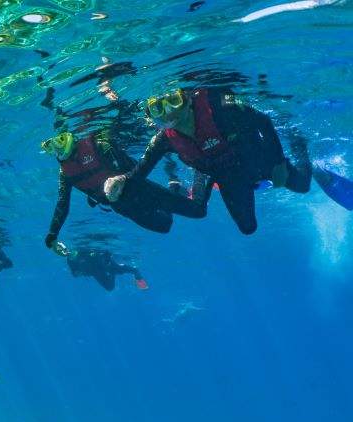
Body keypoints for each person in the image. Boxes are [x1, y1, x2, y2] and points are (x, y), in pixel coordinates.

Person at [104, 88, 311, 234]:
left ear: (186, 96)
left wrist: (279, 163)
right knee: (248, 228)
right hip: (219, 173)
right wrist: (121, 180)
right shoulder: (164, 138)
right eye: (158, 108)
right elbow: (141, 170)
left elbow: (263, 120)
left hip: (251, 157)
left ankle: (299, 146)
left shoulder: (218, 102)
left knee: (302, 185)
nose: (170, 112)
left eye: (173, 101)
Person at [42, 130, 209, 251]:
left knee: (198, 210)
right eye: (50, 148)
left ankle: (202, 171)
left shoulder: (100, 145)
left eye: (59, 142)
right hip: (122, 206)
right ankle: (175, 184)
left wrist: (122, 180)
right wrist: (52, 236)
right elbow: (62, 203)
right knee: (165, 225)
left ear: (68, 136)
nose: (56, 150)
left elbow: (137, 168)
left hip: (140, 190)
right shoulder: (65, 173)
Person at [56, 243, 148, 292]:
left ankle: (138, 278)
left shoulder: (82, 250)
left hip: (105, 264)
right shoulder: (70, 260)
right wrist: (79, 272)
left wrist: (107, 260)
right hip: (96, 272)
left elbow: (101, 252)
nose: (67, 252)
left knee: (133, 270)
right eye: (62, 252)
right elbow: (75, 273)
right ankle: (114, 272)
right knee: (110, 287)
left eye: (64, 249)